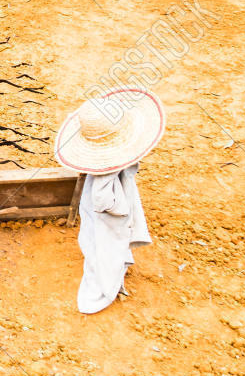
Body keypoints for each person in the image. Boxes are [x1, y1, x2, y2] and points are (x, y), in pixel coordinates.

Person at [53, 88, 166, 314]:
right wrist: (120, 211)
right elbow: (103, 201)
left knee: (100, 243)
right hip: (106, 215)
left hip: (101, 208)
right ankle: (107, 284)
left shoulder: (105, 171)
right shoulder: (105, 178)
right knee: (104, 247)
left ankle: (114, 271)